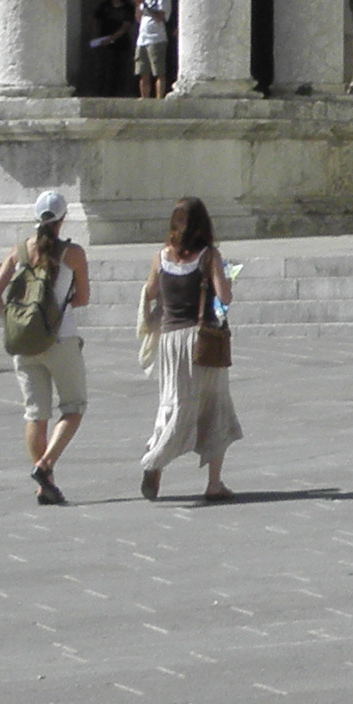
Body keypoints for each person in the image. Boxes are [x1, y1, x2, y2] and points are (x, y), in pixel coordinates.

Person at [0, 189, 93, 505]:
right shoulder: (72, 254)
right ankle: (44, 466)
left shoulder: (18, 251)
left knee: (36, 415)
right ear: (63, 219)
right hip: (61, 339)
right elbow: (83, 298)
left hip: (25, 345)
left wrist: (17, 320)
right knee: (74, 407)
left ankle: (44, 486)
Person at [133, 198, 241, 502]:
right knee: (214, 406)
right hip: (202, 341)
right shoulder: (209, 256)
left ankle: (156, 456)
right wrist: (226, 278)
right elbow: (225, 297)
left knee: (170, 404)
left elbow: (151, 292)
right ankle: (213, 483)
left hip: (170, 340)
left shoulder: (160, 257)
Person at [84, 0, 135, 100]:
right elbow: (95, 20)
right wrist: (95, 36)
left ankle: (120, 93)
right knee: (105, 68)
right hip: (104, 41)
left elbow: (126, 25)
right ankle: (103, 93)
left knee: (120, 68)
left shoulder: (127, 8)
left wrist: (112, 38)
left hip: (121, 43)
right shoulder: (104, 6)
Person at [131, 0, 175, 99]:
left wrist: (144, 5)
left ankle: (159, 98)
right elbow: (138, 18)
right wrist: (137, 5)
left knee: (158, 71)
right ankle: (144, 97)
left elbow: (161, 17)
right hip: (142, 38)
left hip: (157, 38)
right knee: (142, 71)